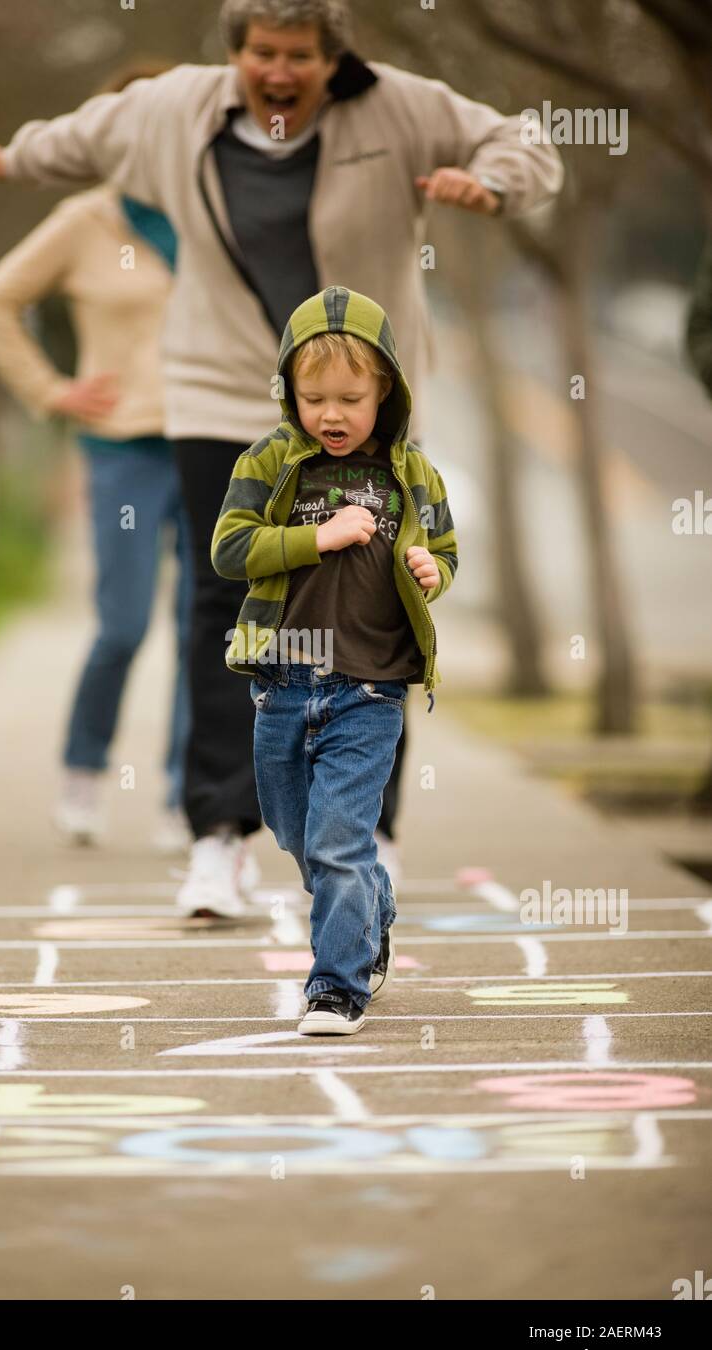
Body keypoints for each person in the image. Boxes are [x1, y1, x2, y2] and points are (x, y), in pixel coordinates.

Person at [0, 0, 561, 916]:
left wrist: (498, 183)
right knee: (225, 595)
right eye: (262, 54)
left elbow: (521, 139)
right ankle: (218, 837)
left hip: (368, 399)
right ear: (235, 54)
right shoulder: (179, 106)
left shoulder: (398, 106)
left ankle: (372, 831)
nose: (279, 73)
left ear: (332, 59)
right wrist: (13, 157)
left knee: (373, 589)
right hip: (224, 387)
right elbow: (85, 136)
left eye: (299, 58)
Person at [212, 284, 457, 1034]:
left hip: (371, 690)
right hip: (283, 680)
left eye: (350, 398)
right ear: (288, 391)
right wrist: (314, 538)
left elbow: (443, 550)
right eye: (313, 396)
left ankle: (336, 987)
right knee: (296, 834)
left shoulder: (412, 474)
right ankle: (373, 906)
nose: (331, 414)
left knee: (338, 839)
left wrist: (430, 571)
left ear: (386, 389)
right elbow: (229, 548)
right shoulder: (270, 461)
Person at [0, 64, 193, 853]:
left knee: (207, 630)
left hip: (218, 447)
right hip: (122, 450)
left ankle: (183, 794)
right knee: (124, 624)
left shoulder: (218, 213)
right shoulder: (83, 220)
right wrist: (50, 389)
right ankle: (84, 768)